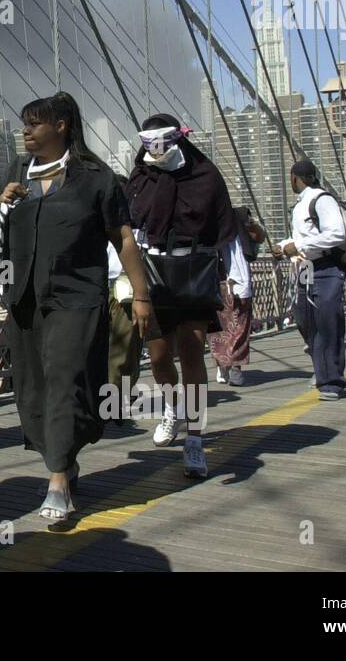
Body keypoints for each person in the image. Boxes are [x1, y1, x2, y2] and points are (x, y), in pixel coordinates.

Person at [0, 94, 151, 518]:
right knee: (32, 387)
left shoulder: (96, 177)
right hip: (24, 298)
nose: (24, 131)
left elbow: (123, 239)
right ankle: (63, 456)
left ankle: (59, 478)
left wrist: (140, 295)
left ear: (62, 125)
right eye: (23, 124)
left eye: (34, 124)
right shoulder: (16, 173)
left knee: (65, 379)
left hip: (77, 297)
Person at [126, 113, 250, 479]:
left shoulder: (206, 176)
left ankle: (195, 439)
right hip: (154, 274)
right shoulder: (140, 177)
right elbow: (128, 231)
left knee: (193, 350)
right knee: (160, 357)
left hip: (195, 271)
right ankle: (171, 406)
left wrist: (237, 280)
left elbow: (225, 231)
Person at [276, 160, 346, 401]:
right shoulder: (300, 205)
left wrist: (299, 245)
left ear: (296, 177)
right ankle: (322, 366)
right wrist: (284, 245)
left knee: (327, 323)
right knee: (303, 317)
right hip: (304, 267)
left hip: (325, 267)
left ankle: (330, 381)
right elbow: (303, 236)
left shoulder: (322, 199)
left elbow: (336, 234)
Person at [210, 205, 263, 386]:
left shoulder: (235, 221)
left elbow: (258, 237)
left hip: (229, 283)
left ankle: (233, 367)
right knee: (221, 328)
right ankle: (226, 365)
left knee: (236, 326)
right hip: (219, 282)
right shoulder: (215, 223)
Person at [105, 176, 143, 419]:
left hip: (123, 286)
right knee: (114, 347)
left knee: (123, 348)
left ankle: (113, 400)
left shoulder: (134, 224)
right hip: (103, 285)